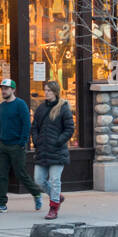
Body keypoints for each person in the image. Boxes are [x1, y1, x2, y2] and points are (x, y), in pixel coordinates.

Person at [0, 78, 42, 213]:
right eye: (2, 89)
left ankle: (36, 193)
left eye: (6, 88)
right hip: (3, 144)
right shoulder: (2, 105)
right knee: (2, 175)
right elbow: (1, 123)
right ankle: (1, 203)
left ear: (13, 90)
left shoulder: (20, 104)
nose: (4, 91)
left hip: (16, 145)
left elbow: (26, 124)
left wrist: (22, 142)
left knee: (21, 173)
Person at [31, 80, 75, 220]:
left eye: (49, 90)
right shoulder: (41, 108)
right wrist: (36, 141)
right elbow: (34, 127)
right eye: (45, 90)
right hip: (42, 150)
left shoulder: (63, 108)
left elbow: (69, 129)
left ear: (55, 92)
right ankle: (57, 197)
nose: (46, 93)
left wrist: (59, 141)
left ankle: (53, 208)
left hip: (57, 151)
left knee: (55, 180)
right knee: (39, 180)